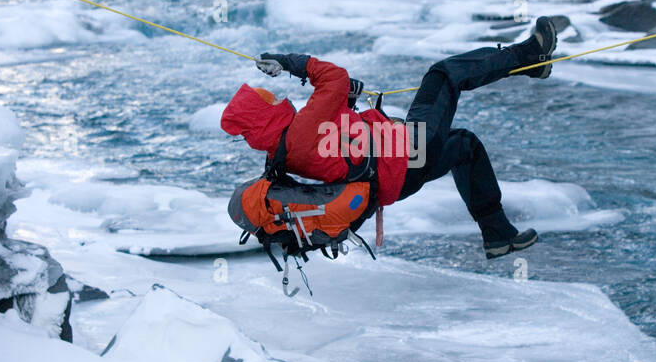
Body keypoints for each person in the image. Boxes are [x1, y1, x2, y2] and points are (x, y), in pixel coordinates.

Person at [219, 16, 565, 259]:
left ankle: (498, 235)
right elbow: (334, 77)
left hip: (398, 169)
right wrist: (288, 61)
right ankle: (528, 55)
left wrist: (347, 101)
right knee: (442, 76)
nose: (279, 99)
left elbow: (341, 148)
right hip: (406, 154)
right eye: (271, 100)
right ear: (265, 115)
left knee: (464, 146)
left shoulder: (282, 150)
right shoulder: (300, 129)